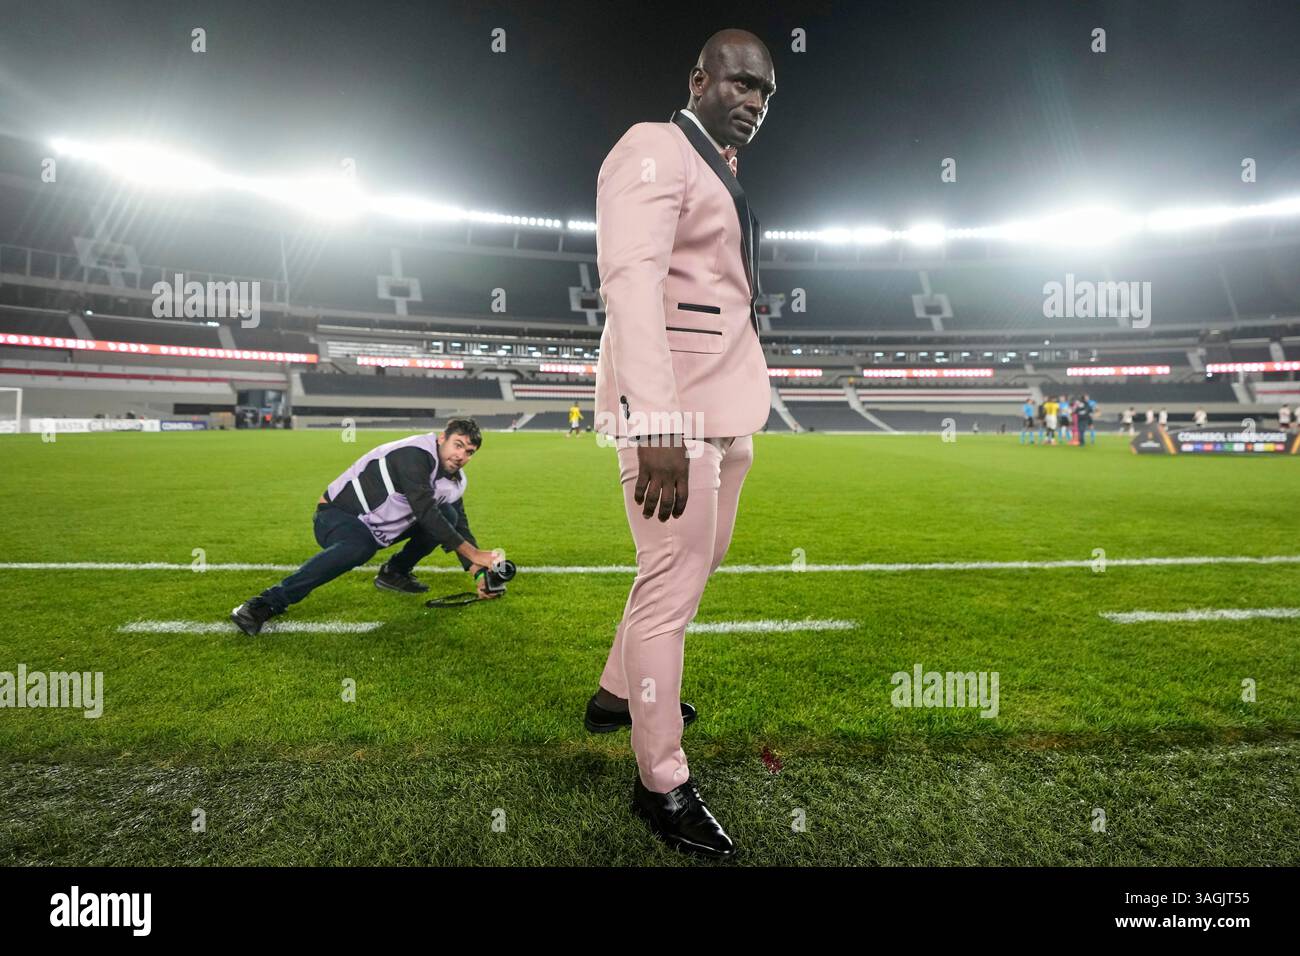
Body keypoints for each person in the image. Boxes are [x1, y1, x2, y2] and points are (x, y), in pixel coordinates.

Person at [586, 28, 774, 859]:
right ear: (699, 78)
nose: (754, 103)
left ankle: (615, 694)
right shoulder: (654, 147)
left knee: (688, 568)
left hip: (725, 409)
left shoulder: (715, 168)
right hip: (675, 418)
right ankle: (661, 781)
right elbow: (630, 281)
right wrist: (654, 419)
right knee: (670, 589)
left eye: (765, 94)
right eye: (740, 84)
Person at [229, 419, 502, 635]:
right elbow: (424, 511)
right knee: (362, 545)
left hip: (378, 530)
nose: (461, 455)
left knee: (449, 516)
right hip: (336, 518)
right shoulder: (414, 453)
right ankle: (263, 604)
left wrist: (479, 574)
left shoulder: (454, 480)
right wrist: (476, 554)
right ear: (441, 438)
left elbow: (459, 525)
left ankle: (394, 573)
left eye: (469, 451)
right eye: (457, 445)